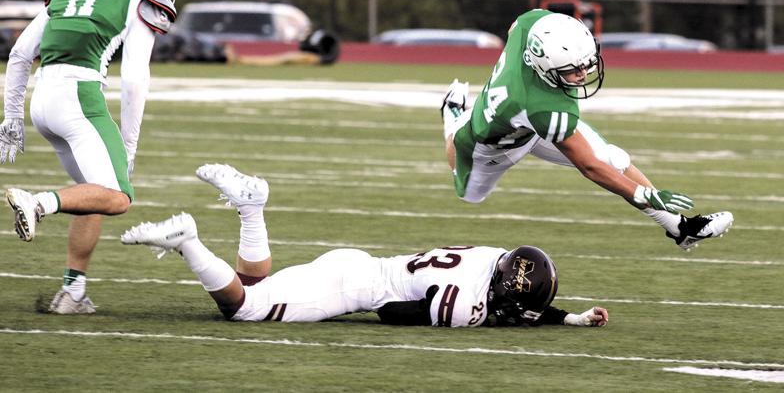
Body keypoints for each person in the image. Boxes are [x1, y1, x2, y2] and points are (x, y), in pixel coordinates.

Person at [121, 163, 609, 328]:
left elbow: (517, 300)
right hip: (353, 287)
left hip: (359, 266)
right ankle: (188, 242)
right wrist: (493, 318)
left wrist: (569, 317)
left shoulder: (491, 257)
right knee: (244, 309)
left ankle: (251, 207)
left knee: (252, 287)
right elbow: (392, 314)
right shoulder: (469, 304)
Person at [0, 0, 181, 314]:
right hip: (79, 98)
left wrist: (11, 118)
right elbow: (134, 79)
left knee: (92, 192)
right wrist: (129, 145)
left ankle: (73, 292)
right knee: (117, 197)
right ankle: (38, 202)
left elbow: (20, 53)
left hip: (43, 101)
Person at [440, 9, 733, 251]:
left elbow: (517, 26)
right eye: (572, 70)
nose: (583, 75)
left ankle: (681, 228)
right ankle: (453, 113)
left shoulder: (533, 24)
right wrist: (642, 193)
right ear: (541, 65)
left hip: (526, 114)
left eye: (585, 65)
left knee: (614, 158)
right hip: (496, 143)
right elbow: (590, 167)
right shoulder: (543, 107)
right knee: (469, 194)